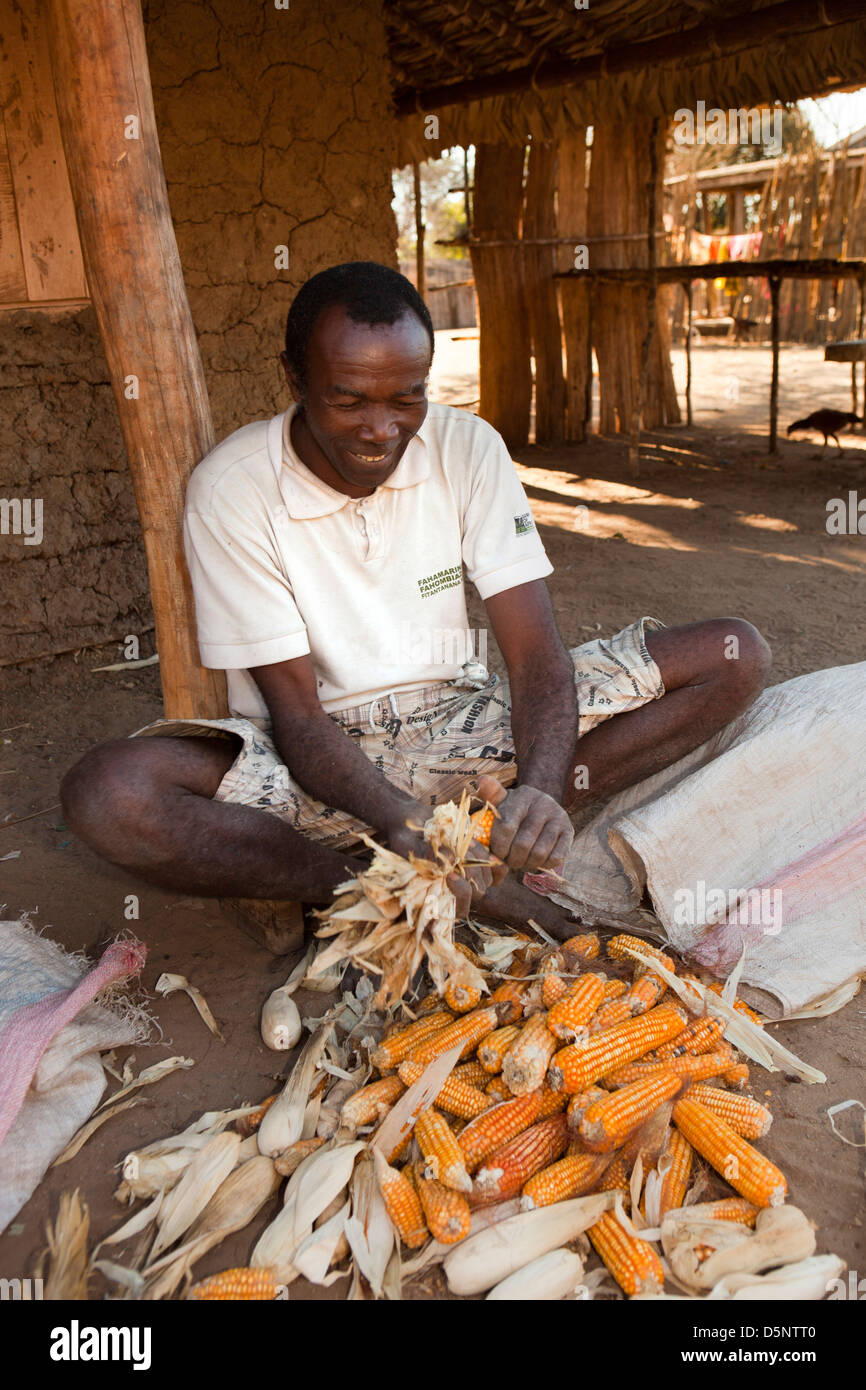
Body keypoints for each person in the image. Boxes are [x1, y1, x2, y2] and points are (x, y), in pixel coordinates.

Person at [60, 262, 771, 938]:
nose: (381, 429)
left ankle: (492, 851)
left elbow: (534, 659)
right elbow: (301, 720)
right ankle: (376, 881)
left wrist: (543, 794)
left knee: (733, 654)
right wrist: (402, 821)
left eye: (408, 397)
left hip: (460, 726)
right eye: (348, 400)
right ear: (294, 379)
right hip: (312, 757)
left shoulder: (468, 448)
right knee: (111, 793)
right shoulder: (235, 487)